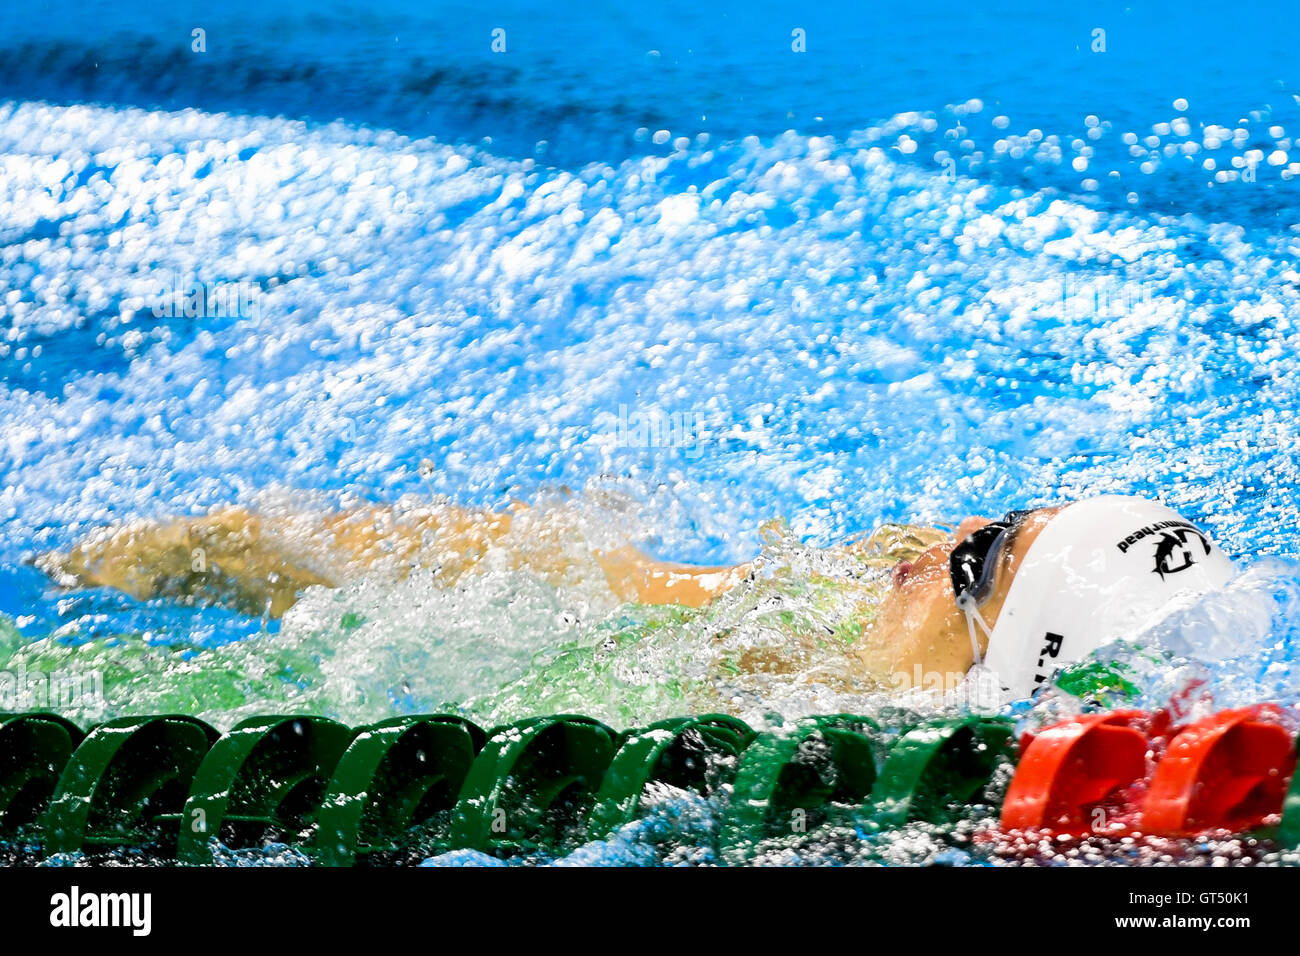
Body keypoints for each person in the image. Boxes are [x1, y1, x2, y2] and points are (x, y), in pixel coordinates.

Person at [37, 494, 1234, 698]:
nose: (953, 532)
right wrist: (209, 548)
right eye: (1001, 513)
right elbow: (535, 560)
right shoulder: (790, 612)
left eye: (982, 560)